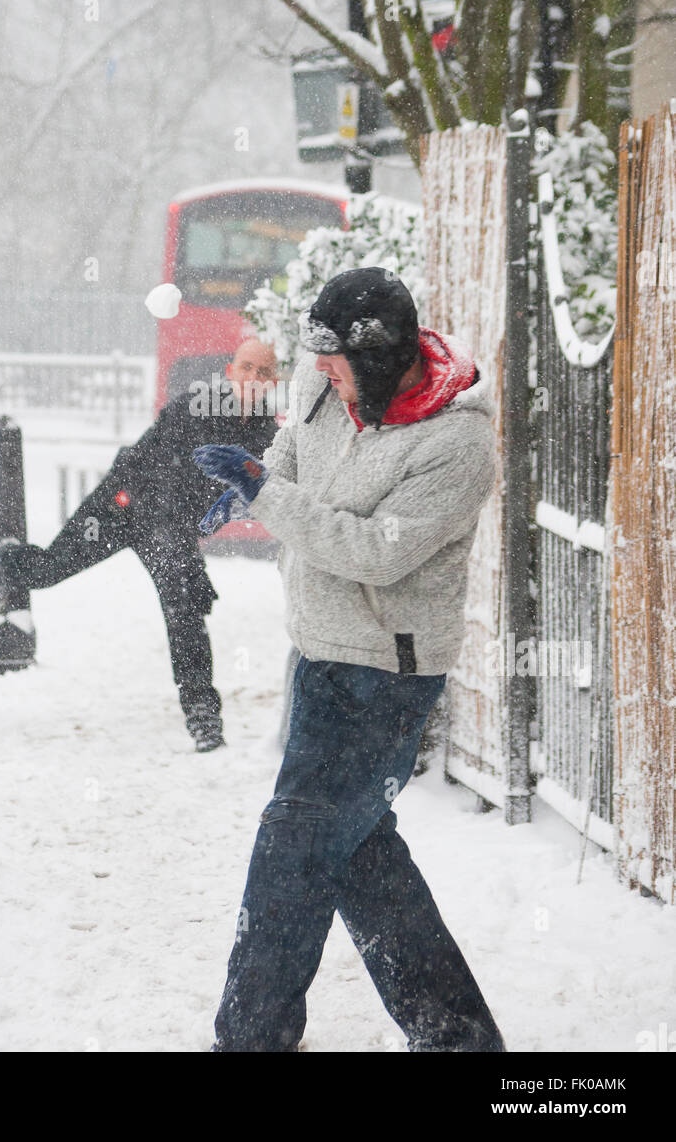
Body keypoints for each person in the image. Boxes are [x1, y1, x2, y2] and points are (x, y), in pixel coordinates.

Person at [193, 267, 506, 1051]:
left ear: (380, 357)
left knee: (293, 848)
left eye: (337, 364)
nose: (322, 376)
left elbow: (374, 552)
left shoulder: (457, 443)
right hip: (319, 652)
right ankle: (456, 1035)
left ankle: (251, 1036)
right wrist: (265, 483)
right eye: (319, 362)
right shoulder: (325, 382)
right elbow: (291, 450)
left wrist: (265, 492)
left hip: (385, 673)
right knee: (357, 853)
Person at [0, 337, 279, 752]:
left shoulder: (266, 437)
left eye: (263, 372)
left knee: (184, 611)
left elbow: (255, 493)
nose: (253, 379)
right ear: (230, 372)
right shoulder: (196, 406)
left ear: (274, 380)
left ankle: (203, 717)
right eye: (246, 368)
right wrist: (187, 556)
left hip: (169, 529)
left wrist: (189, 554)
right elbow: (160, 470)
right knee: (48, 570)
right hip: (124, 502)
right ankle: (6, 561)